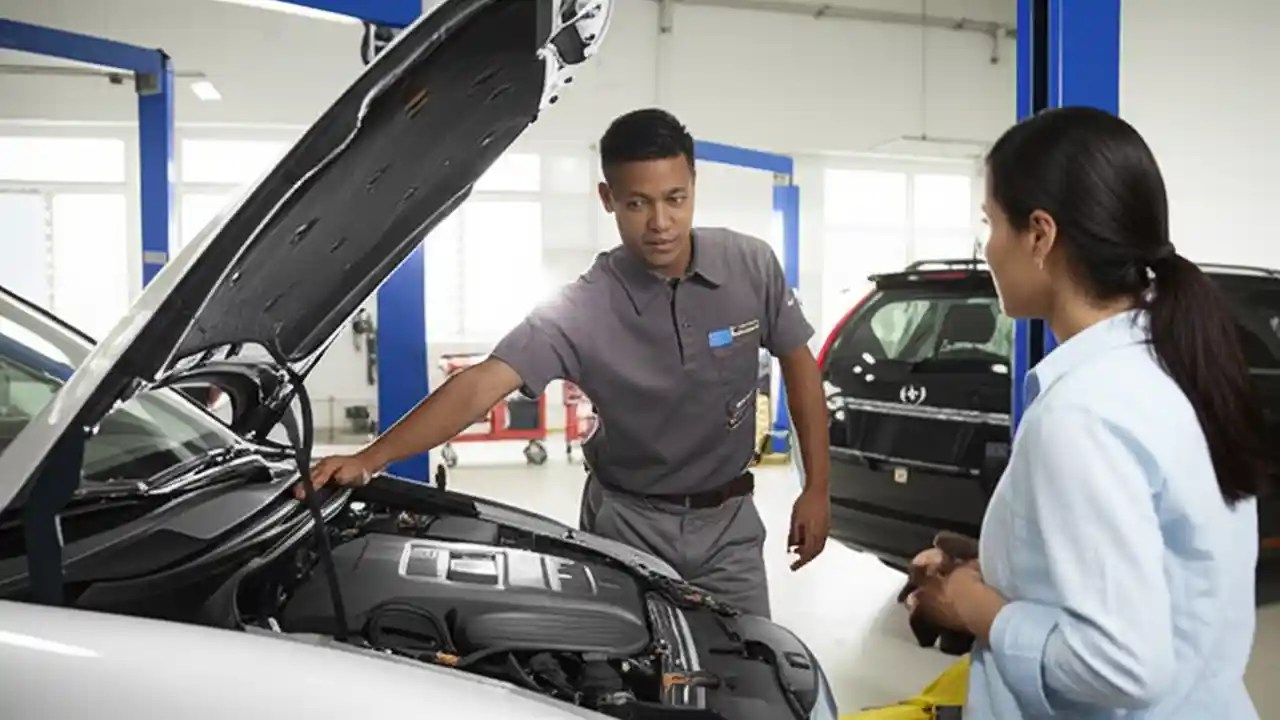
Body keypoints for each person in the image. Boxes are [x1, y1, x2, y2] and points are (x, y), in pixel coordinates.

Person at [300, 108, 831, 619]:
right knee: (629, 665)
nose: (661, 223)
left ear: (694, 185)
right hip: (628, 526)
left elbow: (799, 365)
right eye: (637, 204)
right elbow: (484, 383)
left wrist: (816, 488)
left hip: (731, 525)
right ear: (608, 199)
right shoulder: (582, 307)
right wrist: (372, 457)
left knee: (749, 661)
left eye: (676, 199)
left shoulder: (751, 265)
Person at [906, 106, 1273, 718]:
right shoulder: (1173, 363)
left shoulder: (1083, 412)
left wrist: (972, 604)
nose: (988, 248)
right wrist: (999, 566)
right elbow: (1159, 564)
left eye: (990, 223)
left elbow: (1123, 666)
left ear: (1039, 235)